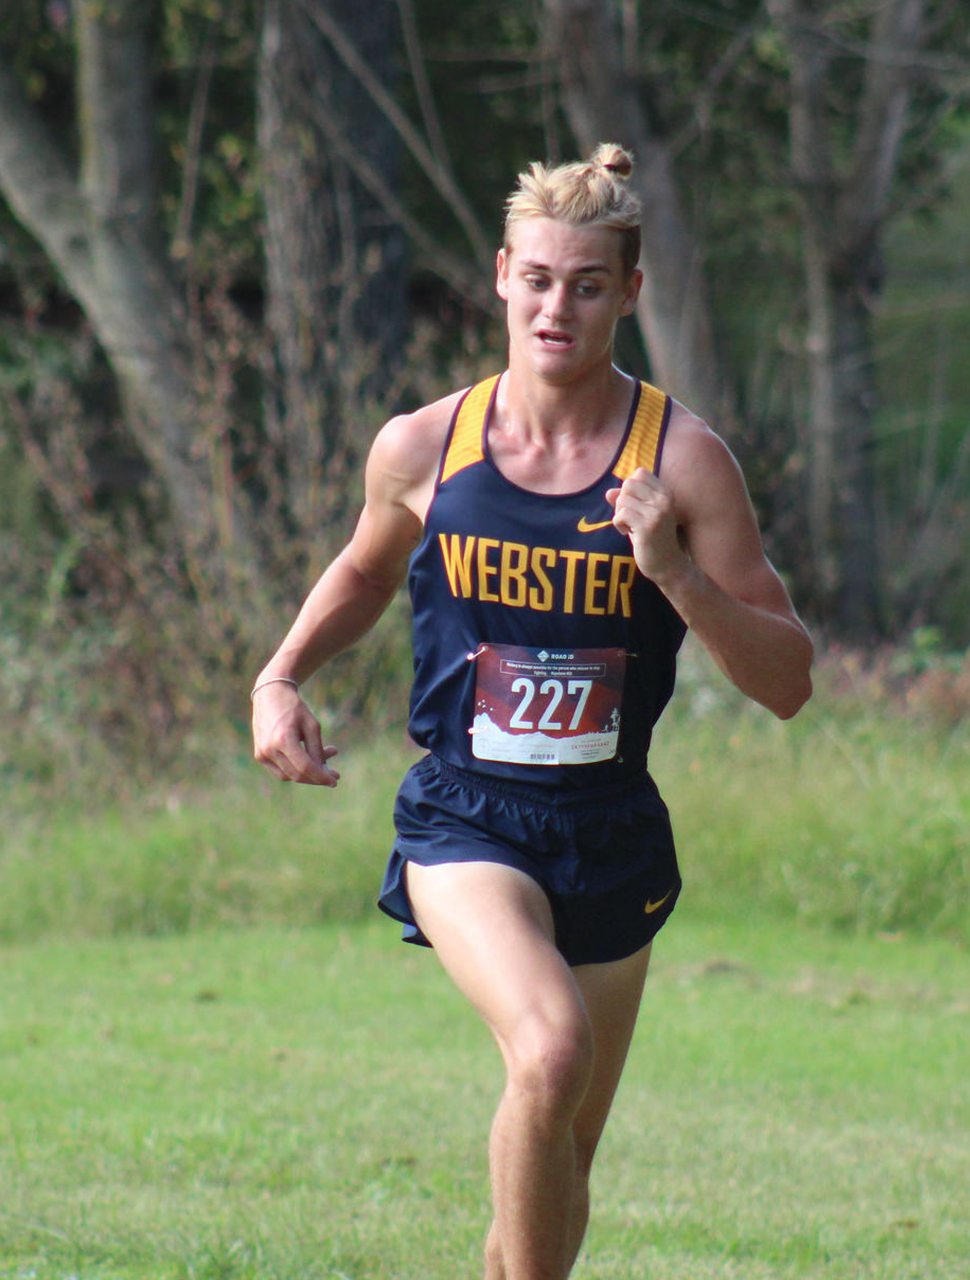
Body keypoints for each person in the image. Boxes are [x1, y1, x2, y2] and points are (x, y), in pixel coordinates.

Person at [250, 143, 812, 1278]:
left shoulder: (686, 462)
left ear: (630, 294)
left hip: (609, 827)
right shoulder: (427, 444)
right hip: (467, 816)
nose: (560, 305)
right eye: (541, 278)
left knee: (562, 1157)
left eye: (590, 283)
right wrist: (280, 675)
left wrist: (676, 575)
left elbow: (789, 679)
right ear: (503, 276)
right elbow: (364, 571)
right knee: (549, 1055)